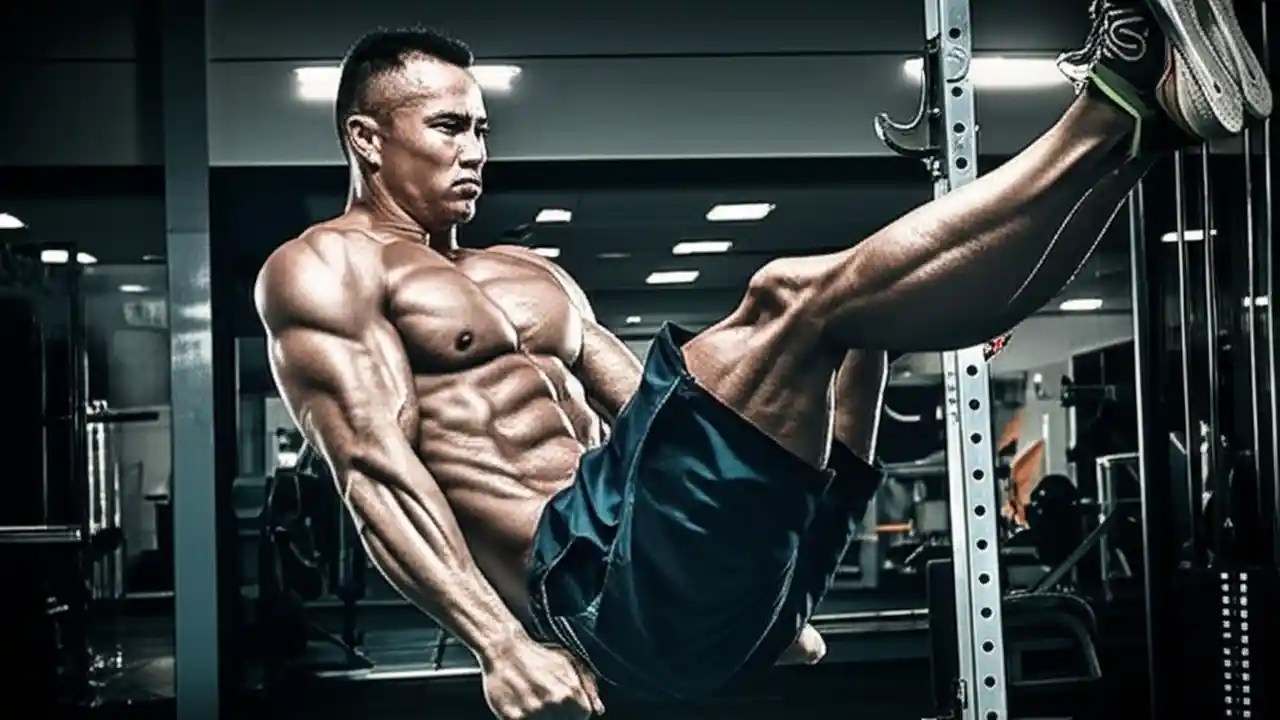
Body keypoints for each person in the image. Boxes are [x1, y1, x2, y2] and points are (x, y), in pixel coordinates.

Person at [255, 0, 1269, 716]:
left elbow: (649, 411)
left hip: (673, 554)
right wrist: (499, 645)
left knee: (843, 317)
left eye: (482, 128)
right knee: (792, 295)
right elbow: (372, 475)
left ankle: (1148, 136)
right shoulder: (324, 270)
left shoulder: (529, 273)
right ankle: (1114, 101)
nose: (476, 149)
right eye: (446, 127)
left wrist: (917, 315)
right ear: (366, 137)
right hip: (595, 594)